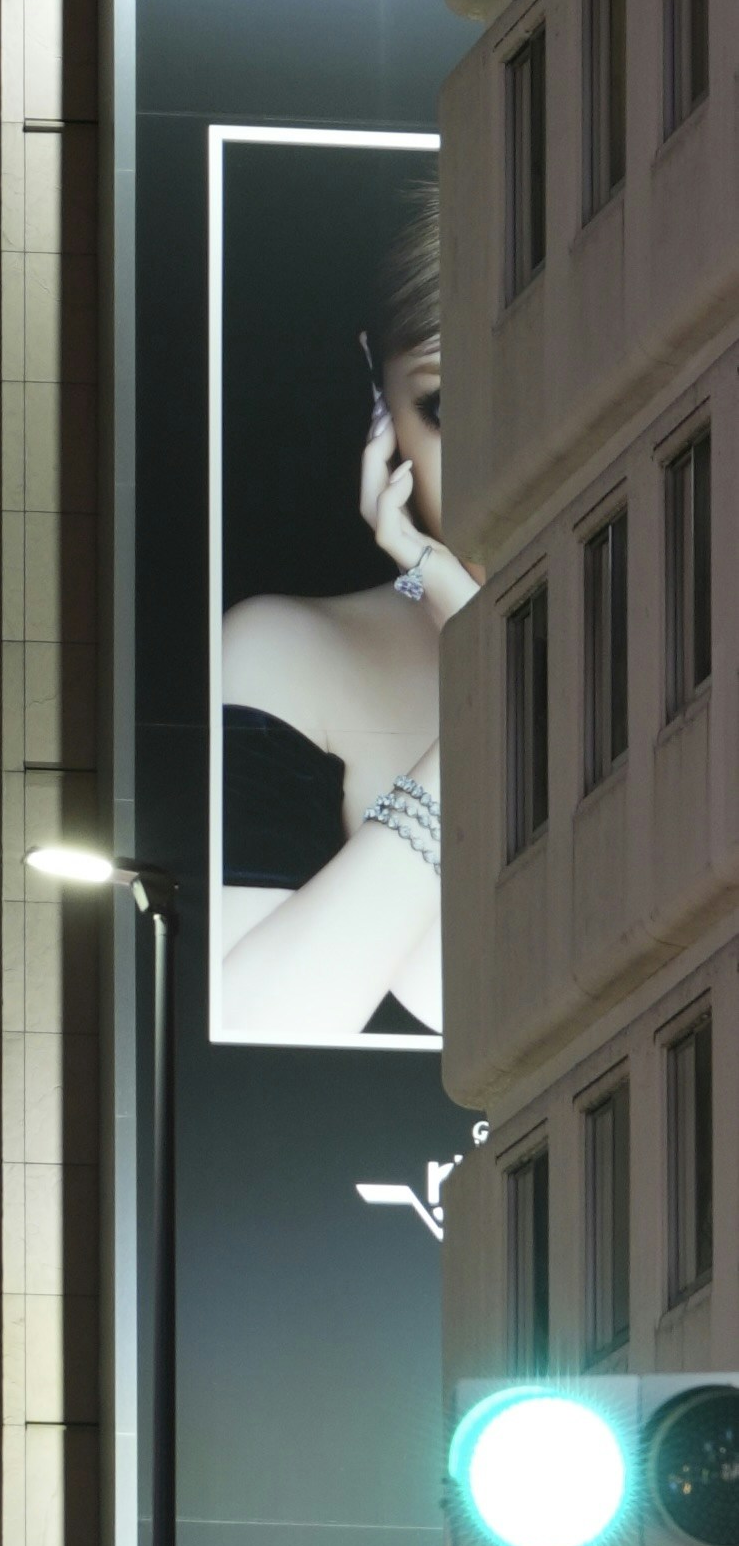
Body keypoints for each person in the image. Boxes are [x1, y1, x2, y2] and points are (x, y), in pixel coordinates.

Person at [217, 187, 472, 1044]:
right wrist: (491, 678)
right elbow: (254, 1037)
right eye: (447, 407)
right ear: (380, 389)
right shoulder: (286, 657)